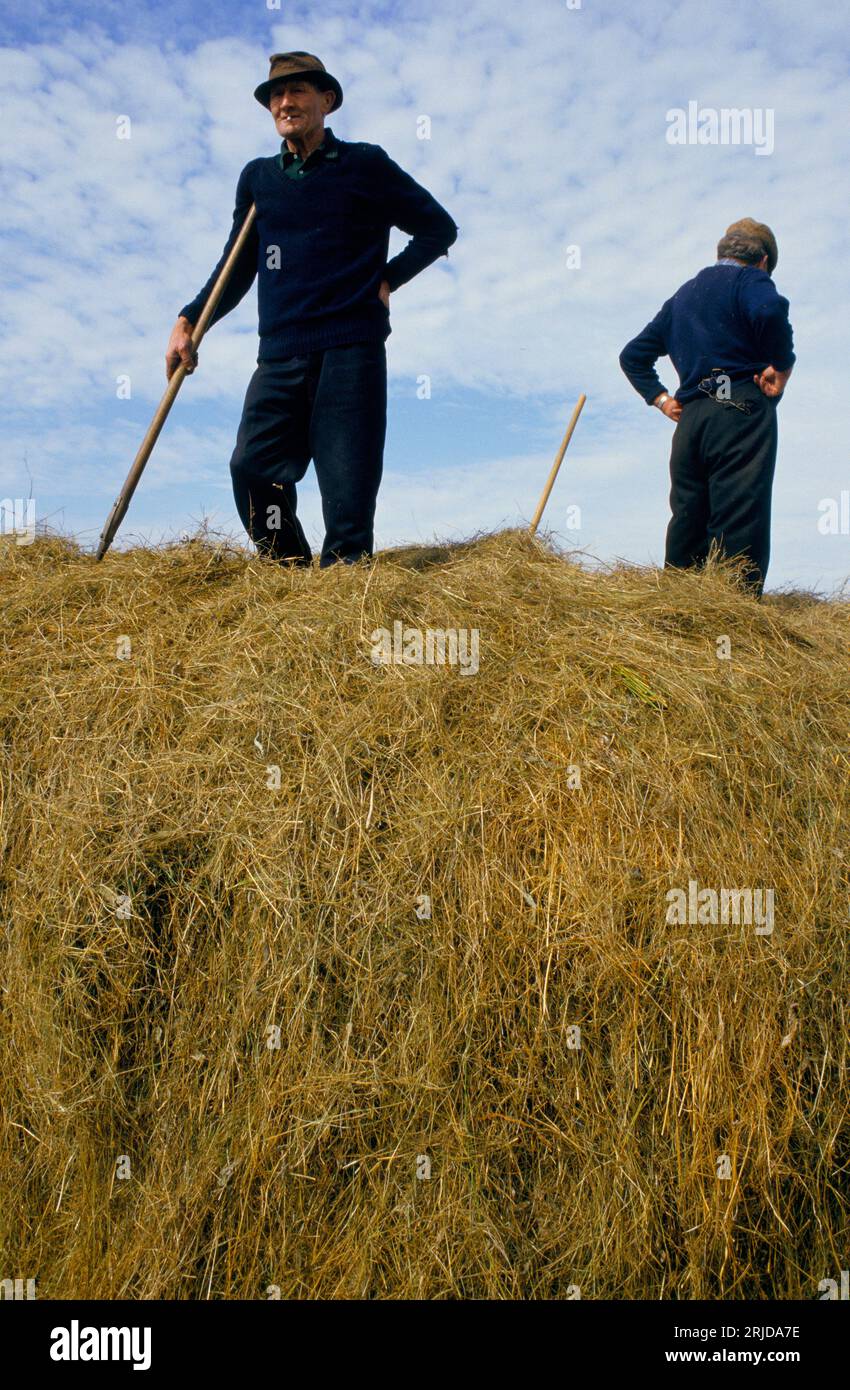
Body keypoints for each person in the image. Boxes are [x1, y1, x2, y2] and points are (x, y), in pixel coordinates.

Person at [166, 52, 458, 568]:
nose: (285, 102)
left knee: (347, 499)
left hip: (351, 350)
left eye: (298, 90)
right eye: (276, 95)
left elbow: (438, 228)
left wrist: (388, 278)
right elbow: (236, 267)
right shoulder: (259, 180)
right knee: (252, 469)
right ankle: (291, 576)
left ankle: (343, 598)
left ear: (327, 100)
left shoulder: (365, 164)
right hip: (279, 354)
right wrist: (191, 320)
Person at [619, 218, 795, 596]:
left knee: (688, 517)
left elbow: (633, 355)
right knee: (739, 515)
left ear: (722, 253)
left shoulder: (683, 296)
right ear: (762, 260)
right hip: (738, 407)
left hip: (692, 419)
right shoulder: (751, 280)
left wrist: (661, 398)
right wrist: (782, 365)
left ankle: (681, 616)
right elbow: (768, 312)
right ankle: (735, 620)